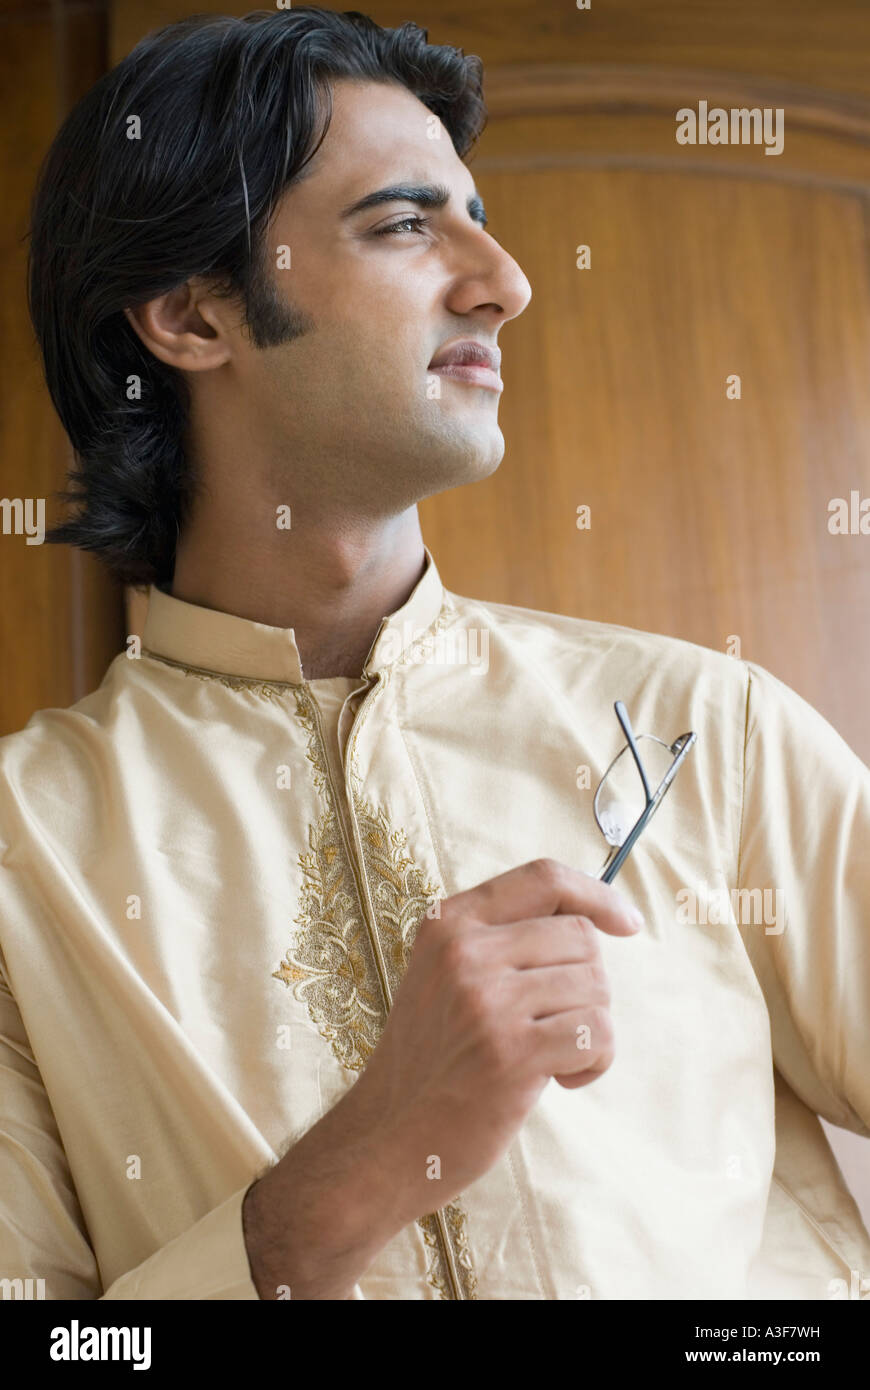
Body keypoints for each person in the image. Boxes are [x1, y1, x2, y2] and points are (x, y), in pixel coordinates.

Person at [2, 7, 867, 1301]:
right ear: (190, 317)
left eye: (476, 214)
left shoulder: (711, 726)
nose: (502, 280)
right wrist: (360, 1167)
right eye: (405, 224)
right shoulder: (21, 847)